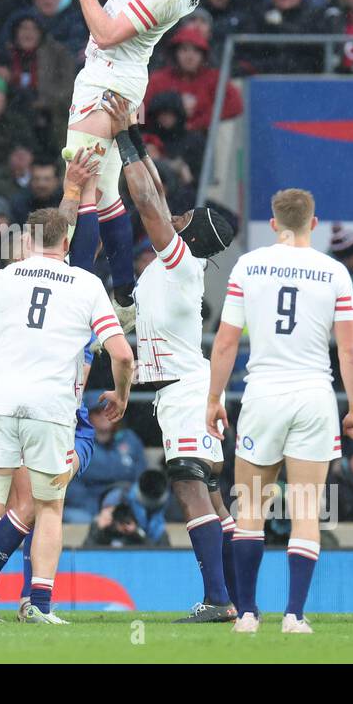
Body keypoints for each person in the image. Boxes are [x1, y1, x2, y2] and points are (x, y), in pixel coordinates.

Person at [0, 205, 133, 624]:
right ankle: (38, 604)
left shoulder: (1, 279)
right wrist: (121, 392)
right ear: (65, 243)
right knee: (47, 508)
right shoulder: (86, 284)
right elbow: (122, 354)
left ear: (28, 241)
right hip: (51, 410)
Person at [47, 0, 218, 332]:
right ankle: (121, 291)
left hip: (106, 77)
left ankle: (77, 287)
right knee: (103, 192)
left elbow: (104, 31)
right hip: (120, 77)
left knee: (79, 186)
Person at [102, 89, 238, 623]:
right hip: (185, 387)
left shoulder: (178, 261)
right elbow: (156, 190)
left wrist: (117, 139)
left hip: (183, 388)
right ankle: (235, 598)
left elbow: (147, 201)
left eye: (188, 215)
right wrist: (135, 133)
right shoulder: (181, 261)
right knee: (210, 492)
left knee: (188, 484)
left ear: (191, 233)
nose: (179, 212)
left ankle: (219, 599)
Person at [207, 188, 353, 634]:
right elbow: (350, 349)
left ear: (274, 223)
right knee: (305, 510)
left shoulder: (248, 265)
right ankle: (294, 615)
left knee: (251, 508)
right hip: (314, 395)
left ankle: (248, 614)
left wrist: (213, 399)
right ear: (313, 224)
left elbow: (225, 341)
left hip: (262, 394)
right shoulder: (334, 272)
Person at [0, 148, 104, 623]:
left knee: (24, 504)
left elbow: (64, 233)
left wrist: (77, 191)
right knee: (34, 504)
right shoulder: (42, 280)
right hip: (51, 405)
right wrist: (78, 190)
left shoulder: (35, 276)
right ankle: (5, 594)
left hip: (52, 406)